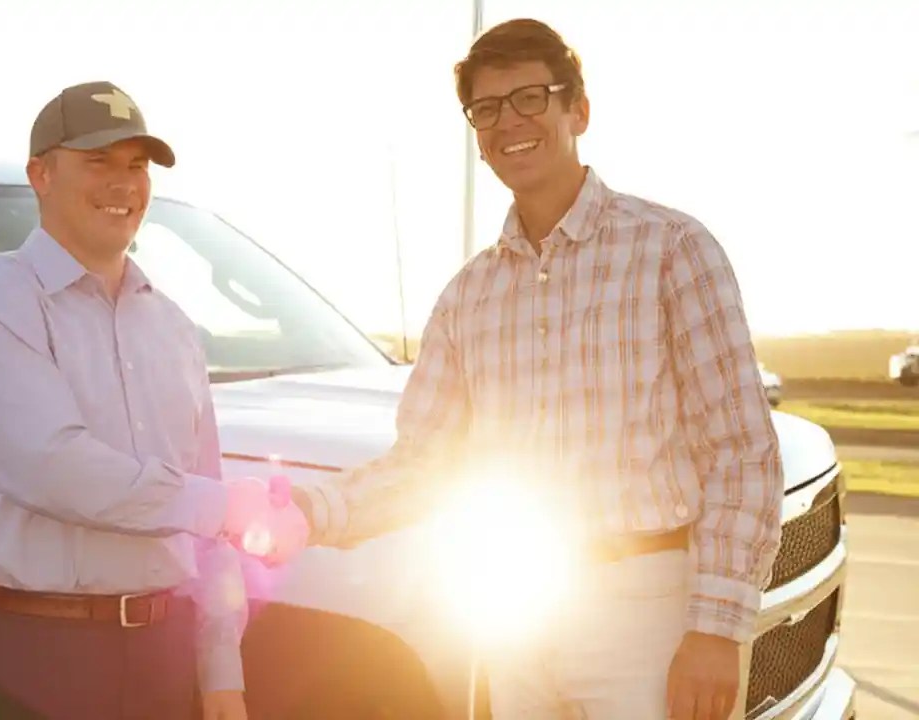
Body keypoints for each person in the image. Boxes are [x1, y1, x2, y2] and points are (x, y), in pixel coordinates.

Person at [291, 19, 783, 720]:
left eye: (529, 98)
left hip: (644, 613)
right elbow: (423, 465)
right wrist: (308, 512)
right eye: (486, 109)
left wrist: (715, 628)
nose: (507, 122)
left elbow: (740, 450)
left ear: (577, 110)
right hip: (512, 617)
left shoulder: (672, 250)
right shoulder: (468, 296)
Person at [0, 80, 308, 720]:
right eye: (97, 161)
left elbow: (206, 520)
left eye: (136, 165)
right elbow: (52, 467)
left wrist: (221, 674)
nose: (123, 183)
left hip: (162, 657)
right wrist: (225, 507)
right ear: (40, 173)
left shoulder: (175, 329)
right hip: (23, 658)